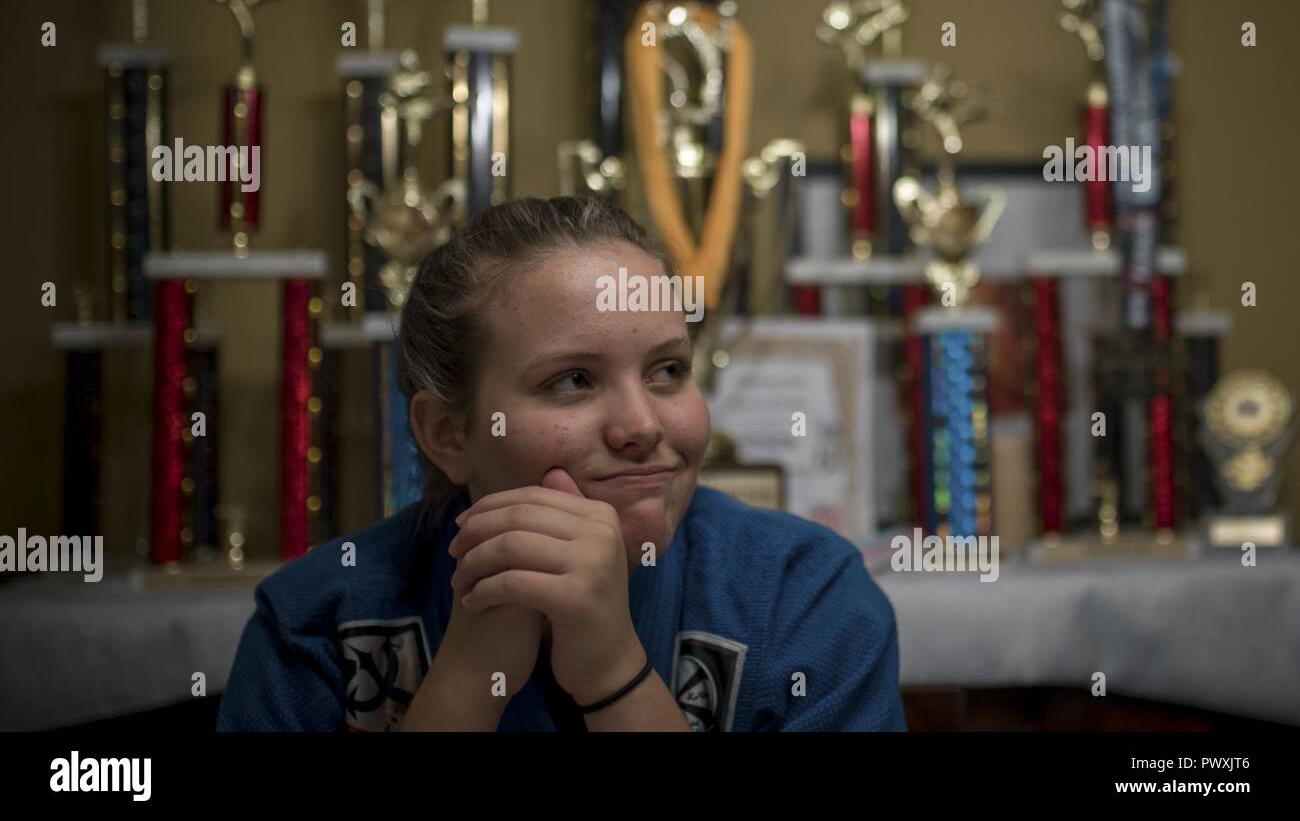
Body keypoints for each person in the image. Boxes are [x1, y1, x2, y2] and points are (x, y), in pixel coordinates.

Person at [217, 196, 906, 731]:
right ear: (449, 433)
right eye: (572, 380)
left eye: (668, 370)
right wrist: (467, 675)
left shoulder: (806, 597)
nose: (640, 425)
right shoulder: (317, 623)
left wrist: (612, 671)